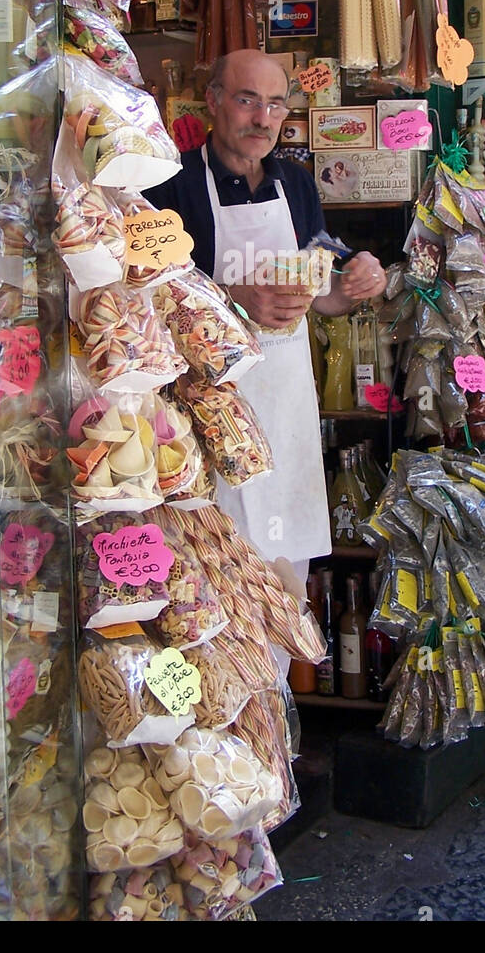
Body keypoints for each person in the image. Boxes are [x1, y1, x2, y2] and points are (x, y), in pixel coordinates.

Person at [144, 49, 387, 590]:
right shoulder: (170, 186)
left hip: (285, 412)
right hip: (207, 417)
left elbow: (320, 293)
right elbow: (148, 294)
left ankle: (279, 677)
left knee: (284, 584)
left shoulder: (296, 185)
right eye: (247, 100)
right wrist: (233, 299)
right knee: (216, 577)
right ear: (212, 102)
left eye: (276, 106)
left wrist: (358, 283)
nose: (263, 119)